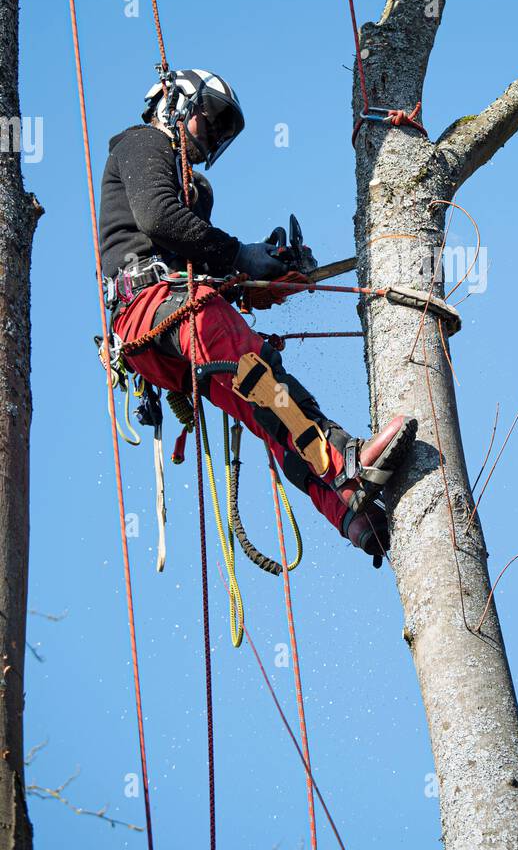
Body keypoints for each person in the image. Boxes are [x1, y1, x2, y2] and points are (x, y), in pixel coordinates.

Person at [98, 68, 417, 567]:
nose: (213, 135)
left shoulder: (193, 189)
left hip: (173, 321)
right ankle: (346, 461)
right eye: (212, 120)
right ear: (178, 102)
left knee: (265, 398)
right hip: (149, 311)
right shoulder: (142, 144)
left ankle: (347, 509)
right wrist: (242, 257)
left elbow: (199, 260)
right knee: (252, 362)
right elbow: (159, 218)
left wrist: (263, 279)